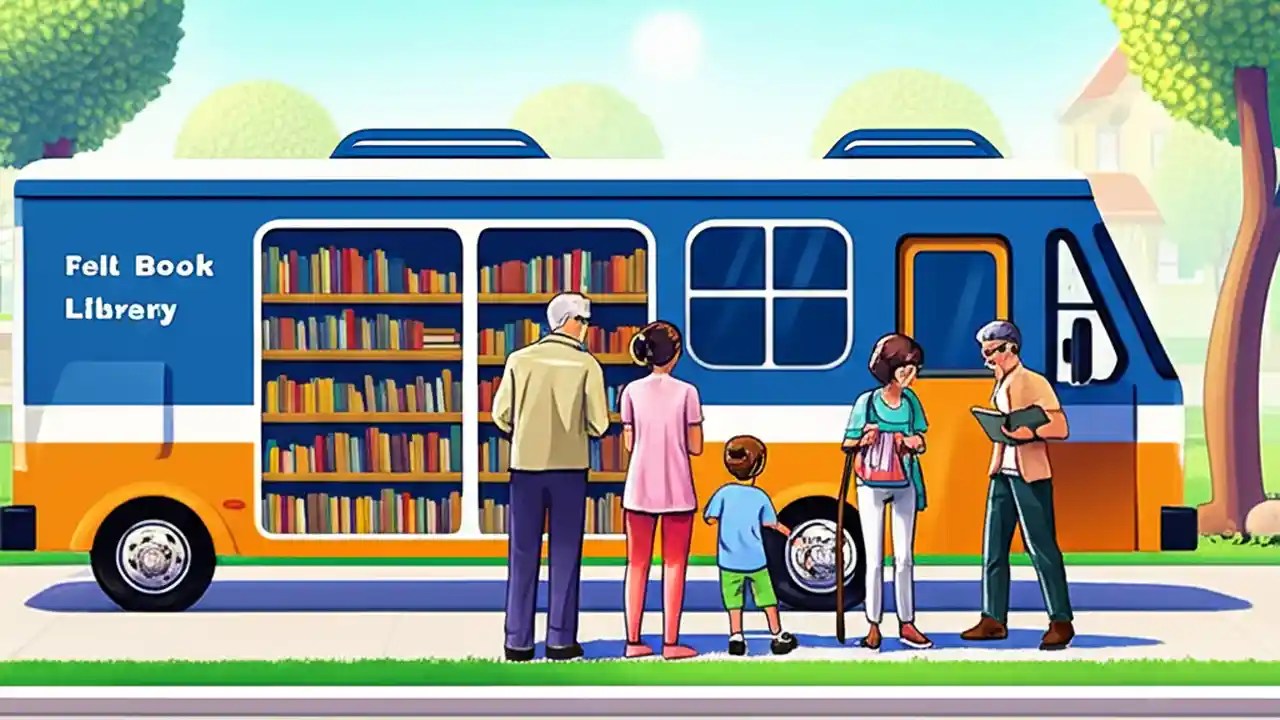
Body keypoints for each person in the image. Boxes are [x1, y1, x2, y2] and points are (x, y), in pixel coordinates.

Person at [491, 291, 610, 662]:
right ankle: (560, 640)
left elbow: (501, 415)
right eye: (584, 320)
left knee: (522, 553)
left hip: (525, 468)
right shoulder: (586, 365)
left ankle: (518, 641)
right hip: (570, 470)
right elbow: (599, 424)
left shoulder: (519, 360)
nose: (588, 328)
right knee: (565, 554)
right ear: (568, 321)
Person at [960, 319, 1075, 651]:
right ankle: (993, 618)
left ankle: (1061, 620)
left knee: (1041, 547)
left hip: (1030, 475)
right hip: (1003, 473)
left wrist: (1030, 432)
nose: (988, 360)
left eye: (992, 352)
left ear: (1011, 348)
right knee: (993, 548)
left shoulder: (1032, 381)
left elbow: (1060, 425)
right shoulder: (1002, 382)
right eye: (985, 354)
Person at [841, 333, 933, 651]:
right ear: (890, 367)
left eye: (915, 368)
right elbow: (847, 443)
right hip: (870, 484)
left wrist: (911, 443)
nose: (912, 374)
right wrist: (863, 440)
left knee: (905, 557)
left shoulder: (911, 403)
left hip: (905, 480)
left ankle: (907, 623)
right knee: (875, 558)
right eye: (907, 367)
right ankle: (873, 625)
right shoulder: (866, 402)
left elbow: (921, 440)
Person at [619, 321, 703, 660]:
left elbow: (628, 443)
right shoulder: (687, 392)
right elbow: (695, 447)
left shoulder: (630, 392)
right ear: (677, 353)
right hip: (677, 489)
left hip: (638, 488)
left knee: (636, 565)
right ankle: (671, 643)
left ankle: (633, 641)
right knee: (674, 565)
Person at [703, 435, 799, 657]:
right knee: (767, 598)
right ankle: (777, 634)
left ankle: (736, 637)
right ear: (758, 466)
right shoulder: (760, 497)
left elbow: (710, 518)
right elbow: (771, 524)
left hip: (728, 560)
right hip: (755, 560)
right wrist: (792, 535)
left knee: (733, 599)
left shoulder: (724, 493)